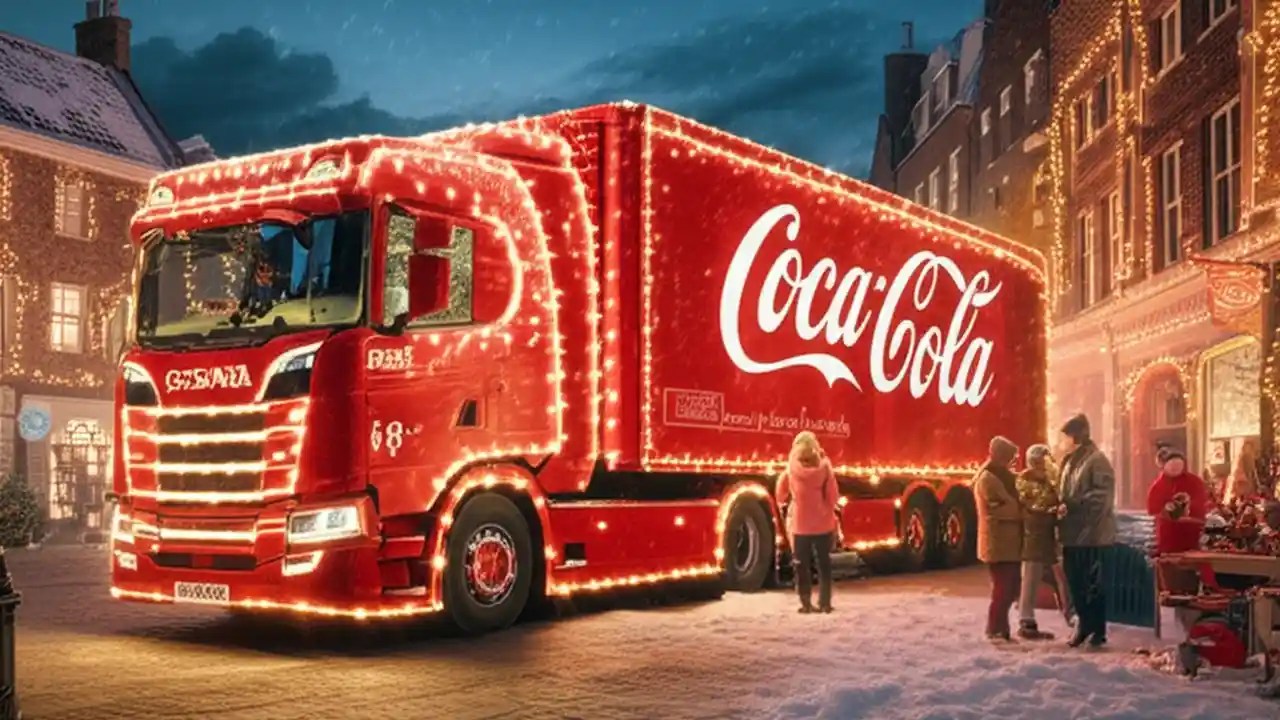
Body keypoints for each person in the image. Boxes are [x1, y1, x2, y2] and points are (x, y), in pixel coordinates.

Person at [1056, 413, 1117, 648]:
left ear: (1081, 435)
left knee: (1092, 584)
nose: (1067, 440)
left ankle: (1096, 629)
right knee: (1076, 583)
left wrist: (1074, 505)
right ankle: (1084, 625)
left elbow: (1101, 498)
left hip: (1092, 536)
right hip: (1073, 534)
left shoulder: (1097, 460)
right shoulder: (1071, 461)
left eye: (1070, 435)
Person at [1146, 446, 1208, 634]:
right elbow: (1153, 507)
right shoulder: (1159, 484)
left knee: (1188, 575)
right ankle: (1178, 610)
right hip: (1169, 540)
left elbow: (1202, 503)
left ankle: (1187, 612)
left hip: (1189, 538)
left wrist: (1190, 509)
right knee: (1172, 577)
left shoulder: (1194, 482)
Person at [776, 431, 838, 614]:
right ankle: (825, 603)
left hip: (800, 524)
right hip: (823, 523)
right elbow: (833, 496)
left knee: (801, 565)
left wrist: (786, 503)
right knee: (823, 564)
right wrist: (825, 508)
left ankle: (805, 603)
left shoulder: (791, 468)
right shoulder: (825, 467)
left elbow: (781, 491)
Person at [974, 436, 1023, 641]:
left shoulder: (1005, 476)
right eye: (1010, 457)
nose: (1012, 461)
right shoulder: (988, 479)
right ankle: (995, 628)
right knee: (1003, 588)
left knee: (1011, 587)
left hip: (1010, 542)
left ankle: (1000, 627)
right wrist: (1023, 510)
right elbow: (998, 510)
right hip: (998, 542)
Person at [1015, 444, 1059, 641]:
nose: (1044, 465)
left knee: (1058, 579)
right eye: (1041, 461)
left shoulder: (1051, 479)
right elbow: (1035, 504)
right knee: (1031, 579)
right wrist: (1053, 508)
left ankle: (1072, 617)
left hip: (1048, 535)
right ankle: (1026, 620)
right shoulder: (1025, 480)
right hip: (1033, 535)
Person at [1225, 441, 1259, 506]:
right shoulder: (1240, 458)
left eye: (1250, 449)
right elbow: (1237, 471)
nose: (1248, 451)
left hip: (1247, 483)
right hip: (1241, 483)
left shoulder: (1250, 458)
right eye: (1246, 448)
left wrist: (1256, 483)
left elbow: (1253, 471)